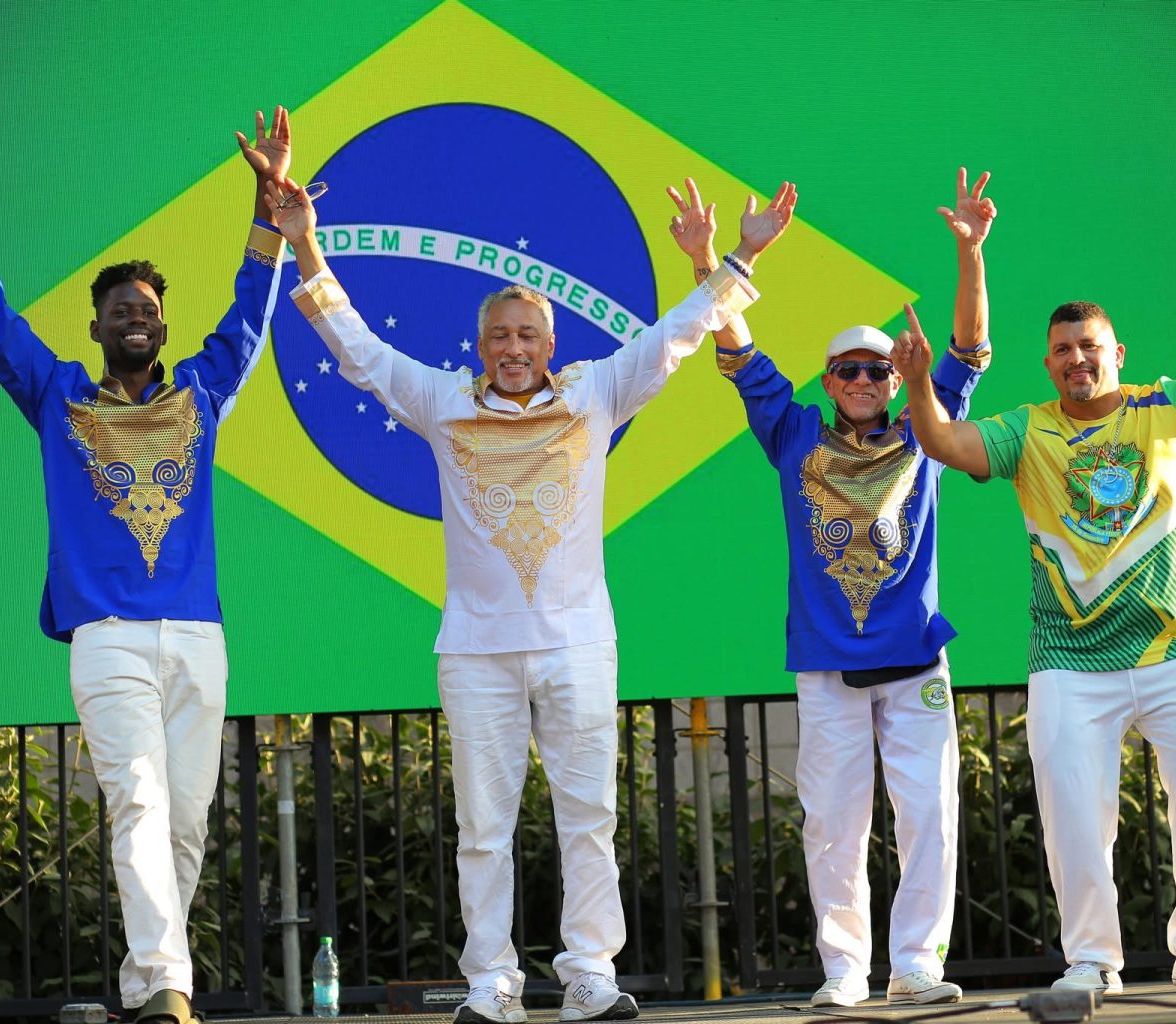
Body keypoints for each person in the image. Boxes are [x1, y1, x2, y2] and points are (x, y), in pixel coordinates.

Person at [273, 173, 793, 1022]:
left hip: (577, 640)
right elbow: (359, 350)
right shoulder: (444, 402)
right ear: (480, 345)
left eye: (528, 334)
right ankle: (492, 985)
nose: (513, 347)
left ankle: (589, 974)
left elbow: (676, 337)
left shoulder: (595, 393)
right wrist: (304, 240)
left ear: (550, 344)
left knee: (588, 816)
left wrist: (739, 255)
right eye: (499, 336)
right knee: (484, 827)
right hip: (476, 647)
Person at [0, 101, 293, 1024]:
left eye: (148, 310)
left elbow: (250, 318)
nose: (135, 318)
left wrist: (266, 205)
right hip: (109, 640)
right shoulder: (58, 397)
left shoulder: (200, 396)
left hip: (198, 637)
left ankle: (142, 981)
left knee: (187, 823)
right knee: (136, 801)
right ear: (97, 329)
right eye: (120, 309)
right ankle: (168, 984)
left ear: (162, 329)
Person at [893, 223, 1176, 994]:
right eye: (1065, 350)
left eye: (1091, 346)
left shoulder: (1168, 407)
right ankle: (1092, 961)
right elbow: (940, 443)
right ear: (1049, 363)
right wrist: (915, 381)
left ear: (1117, 353)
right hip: (1070, 661)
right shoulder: (1026, 429)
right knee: (1074, 815)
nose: (1079, 359)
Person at [665, 171, 995, 1006]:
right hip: (824, 661)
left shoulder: (928, 420)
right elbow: (735, 345)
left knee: (929, 814)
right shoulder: (791, 430)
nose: (861, 380)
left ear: (894, 377)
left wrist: (970, 253)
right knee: (833, 822)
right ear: (827, 380)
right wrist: (711, 256)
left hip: (916, 654)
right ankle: (846, 969)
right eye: (846, 369)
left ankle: (918, 964)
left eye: (875, 369)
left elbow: (968, 350)